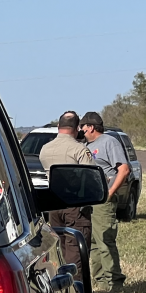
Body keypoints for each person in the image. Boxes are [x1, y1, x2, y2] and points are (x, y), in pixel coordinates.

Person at [39, 111, 95, 276]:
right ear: (77, 129)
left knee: (59, 247)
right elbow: (91, 178)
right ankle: (76, 288)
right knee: (76, 249)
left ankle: (59, 282)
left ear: (58, 127)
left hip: (54, 204)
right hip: (75, 206)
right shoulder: (79, 149)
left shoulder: (45, 149)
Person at [79, 111, 130, 292]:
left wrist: (110, 192)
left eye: (82, 127)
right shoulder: (85, 145)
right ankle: (101, 282)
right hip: (89, 200)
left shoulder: (109, 142)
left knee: (105, 240)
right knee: (92, 242)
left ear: (91, 127)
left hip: (103, 200)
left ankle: (114, 282)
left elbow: (124, 169)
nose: (81, 130)